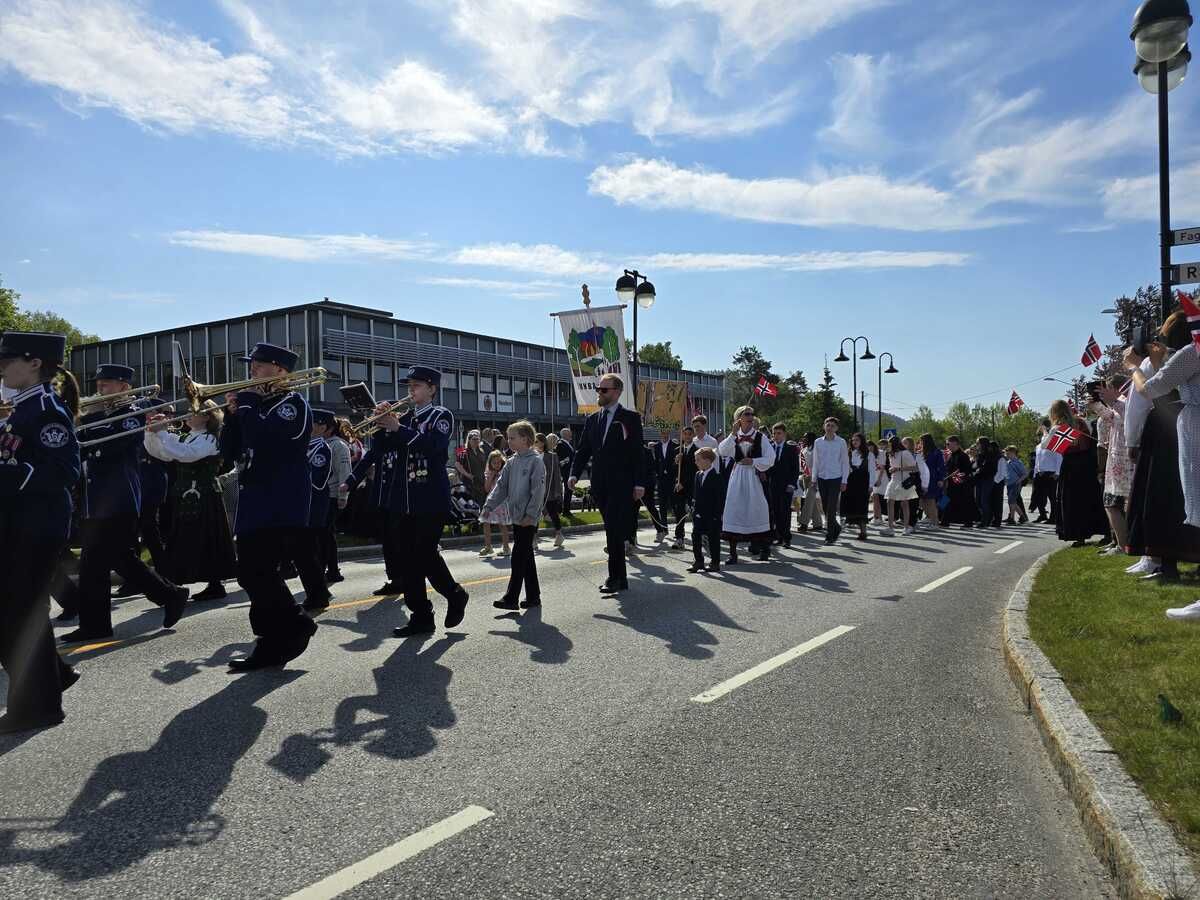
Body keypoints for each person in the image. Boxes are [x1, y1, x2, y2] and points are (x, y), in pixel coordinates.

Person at [59, 363, 187, 642]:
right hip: (96, 502)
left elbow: (112, 447)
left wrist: (88, 440)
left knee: (106, 562)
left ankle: (167, 596)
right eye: (99, 383)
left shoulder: (132, 415)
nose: (100, 388)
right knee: (109, 562)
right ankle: (165, 596)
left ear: (125, 387)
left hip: (120, 499)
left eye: (107, 383)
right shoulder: (98, 416)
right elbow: (77, 442)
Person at [344, 366, 470, 636]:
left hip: (430, 497)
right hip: (402, 500)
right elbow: (380, 451)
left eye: (417, 385)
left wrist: (397, 427)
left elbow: (433, 447)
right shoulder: (405, 418)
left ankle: (454, 593)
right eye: (409, 386)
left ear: (432, 389)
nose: (410, 390)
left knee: (423, 554)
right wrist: (379, 424)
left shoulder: (440, 415)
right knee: (408, 558)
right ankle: (421, 615)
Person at [0, 332, 82, 734]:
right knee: (16, 612)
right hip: (18, 523)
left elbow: (61, 471)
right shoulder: (19, 408)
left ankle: (38, 707)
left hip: (38, 525)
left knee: (19, 614)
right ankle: (54, 675)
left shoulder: (47, 410)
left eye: (8, 358)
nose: (2, 366)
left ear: (34, 363)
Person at [221, 343, 319, 670]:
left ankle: (291, 625)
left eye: (259, 365)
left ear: (280, 371)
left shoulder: (293, 404)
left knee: (257, 570)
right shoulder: (258, 404)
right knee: (250, 573)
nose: (252, 371)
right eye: (252, 365)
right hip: (256, 496)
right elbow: (230, 451)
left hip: (281, 499)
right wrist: (231, 419)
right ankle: (271, 641)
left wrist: (247, 406)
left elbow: (266, 439)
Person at [1126, 314, 1200, 584]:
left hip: (1187, 425)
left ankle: (1166, 563)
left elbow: (1148, 391)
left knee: (1184, 498)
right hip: (1184, 421)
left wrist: (1135, 367)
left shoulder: (1190, 353)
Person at [142, 401, 236, 601]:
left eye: (194, 412)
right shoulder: (186, 436)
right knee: (184, 538)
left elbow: (187, 455)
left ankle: (214, 583)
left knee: (207, 538)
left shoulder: (210, 438)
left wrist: (162, 433)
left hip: (205, 494)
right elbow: (162, 453)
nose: (187, 415)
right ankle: (178, 584)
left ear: (207, 417)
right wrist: (151, 431)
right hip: (186, 494)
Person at [568, 372, 647, 594]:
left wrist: (639, 483)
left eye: (604, 389)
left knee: (613, 530)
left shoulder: (630, 418)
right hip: (600, 485)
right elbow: (583, 450)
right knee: (611, 530)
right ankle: (619, 577)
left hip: (622, 484)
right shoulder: (593, 419)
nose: (599, 393)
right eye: (598, 389)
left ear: (617, 392)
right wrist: (574, 474)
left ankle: (616, 578)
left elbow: (637, 453)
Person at [483, 421, 546, 611]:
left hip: (528, 518)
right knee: (526, 556)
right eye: (508, 438)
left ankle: (511, 598)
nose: (508, 441)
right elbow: (501, 487)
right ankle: (534, 596)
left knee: (518, 556)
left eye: (512, 438)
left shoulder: (536, 461)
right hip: (516, 516)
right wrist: (489, 505)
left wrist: (531, 514)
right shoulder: (511, 461)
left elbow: (538, 491)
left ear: (525, 439)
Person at [718, 406, 776, 562]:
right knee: (734, 509)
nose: (750, 416)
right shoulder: (734, 437)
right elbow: (722, 451)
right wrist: (732, 433)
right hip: (737, 477)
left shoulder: (760, 437)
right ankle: (733, 554)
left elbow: (771, 458)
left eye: (752, 414)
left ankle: (765, 549)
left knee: (759, 509)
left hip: (754, 476)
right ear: (739, 418)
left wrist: (754, 461)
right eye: (747, 414)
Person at [1049, 399, 1108, 549]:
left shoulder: (1059, 427)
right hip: (1087, 464)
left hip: (1071, 465)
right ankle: (1106, 532)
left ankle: (1079, 535)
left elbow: (1053, 448)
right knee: (1092, 498)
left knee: (1073, 501)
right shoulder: (1081, 422)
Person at [291, 411, 333, 612]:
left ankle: (318, 595)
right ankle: (316, 593)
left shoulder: (322, 449)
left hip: (313, 507)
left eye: (313, 423)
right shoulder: (301, 447)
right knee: (302, 554)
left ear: (323, 428)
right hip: (300, 505)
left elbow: (318, 481)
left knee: (308, 554)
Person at [811, 417, 849, 545]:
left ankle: (830, 535)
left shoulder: (841, 442)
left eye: (832, 426)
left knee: (831, 508)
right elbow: (816, 461)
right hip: (822, 477)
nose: (830, 427)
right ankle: (837, 527)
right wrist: (813, 479)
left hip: (836, 478)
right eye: (828, 425)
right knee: (826, 507)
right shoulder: (818, 442)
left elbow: (845, 462)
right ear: (824, 426)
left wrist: (844, 481)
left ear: (836, 428)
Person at [688, 447, 724, 573]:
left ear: (708, 461)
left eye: (698, 460)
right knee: (695, 536)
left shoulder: (717, 476)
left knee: (713, 538)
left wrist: (717, 515)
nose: (696, 462)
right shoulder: (698, 475)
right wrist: (693, 508)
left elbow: (719, 498)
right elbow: (695, 494)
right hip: (698, 513)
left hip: (712, 514)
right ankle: (698, 561)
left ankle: (715, 562)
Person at [768, 423, 799, 548]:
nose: (776, 436)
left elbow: (795, 469)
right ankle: (778, 536)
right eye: (774, 433)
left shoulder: (790, 448)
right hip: (773, 484)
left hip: (786, 485)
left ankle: (787, 538)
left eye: (779, 433)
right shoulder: (769, 447)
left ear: (784, 434)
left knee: (785, 511)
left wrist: (792, 484)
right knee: (775, 512)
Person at [882, 435, 918, 536]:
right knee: (889, 501)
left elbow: (915, 468)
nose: (888, 446)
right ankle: (890, 527)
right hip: (894, 480)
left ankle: (906, 527)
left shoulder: (905, 453)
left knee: (904, 503)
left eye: (889, 444)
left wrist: (897, 469)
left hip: (903, 480)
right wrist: (892, 469)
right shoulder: (891, 454)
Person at [478, 450, 511, 556]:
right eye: (494, 463)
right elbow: (487, 489)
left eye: (499, 462)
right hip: (490, 500)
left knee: (502, 524)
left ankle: (506, 547)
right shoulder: (489, 473)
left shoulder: (504, 472)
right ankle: (488, 546)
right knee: (485, 521)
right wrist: (491, 476)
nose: (497, 465)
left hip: (501, 501)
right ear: (490, 463)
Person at [942, 436, 978, 527]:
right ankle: (945, 521)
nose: (947, 446)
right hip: (952, 483)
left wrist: (952, 477)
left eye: (948, 444)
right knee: (945, 501)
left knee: (964, 503)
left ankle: (968, 522)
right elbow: (948, 468)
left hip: (961, 484)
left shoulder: (963, 456)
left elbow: (965, 471)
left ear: (955, 443)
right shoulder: (952, 455)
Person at [651, 427, 679, 543]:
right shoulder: (656, 446)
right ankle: (664, 528)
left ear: (669, 433)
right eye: (662, 432)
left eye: (666, 432)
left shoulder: (675, 445)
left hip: (672, 479)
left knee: (674, 505)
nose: (664, 434)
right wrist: (658, 473)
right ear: (660, 433)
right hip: (661, 480)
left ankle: (679, 530)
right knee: (662, 506)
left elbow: (677, 463)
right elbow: (656, 461)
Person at [1031, 420, 1061, 524]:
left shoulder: (1053, 443)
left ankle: (1053, 517)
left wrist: (1057, 472)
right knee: (1038, 496)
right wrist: (1035, 473)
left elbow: (1059, 457)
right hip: (1040, 474)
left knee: (1052, 497)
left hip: (1051, 473)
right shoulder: (1038, 446)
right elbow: (1037, 461)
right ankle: (1042, 515)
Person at [672, 425, 697, 550]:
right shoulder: (678, 450)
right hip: (679, 487)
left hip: (691, 487)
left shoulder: (697, 450)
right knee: (679, 513)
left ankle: (699, 536)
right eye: (685, 434)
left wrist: (684, 483)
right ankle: (679, 538)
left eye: (689, 434)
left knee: (694, 513)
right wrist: (676, 461)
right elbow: (674, 470)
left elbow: (694, 471)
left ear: (693, 435)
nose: (687, 436)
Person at [539, 432, 566, 548]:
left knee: (553, 513)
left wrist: (558, 491)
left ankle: (559, 533)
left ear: (542, 443)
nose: (535, 444)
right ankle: (534, 538)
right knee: (534, 514)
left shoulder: (552, 456)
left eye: (537, 442)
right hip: (535, 491)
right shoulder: (531, 456)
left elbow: (556, 475)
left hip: (548, 490)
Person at [844, 432, 872, 541]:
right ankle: (859, 529)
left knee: (862, 507)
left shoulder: (869, 454)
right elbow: (846, 468)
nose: (854, 442)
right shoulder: (849, 453)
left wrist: (871, 485)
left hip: (863, 482)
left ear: (862, 441)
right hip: (851, 482)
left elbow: (872, 471)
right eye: (853, 440)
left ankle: (863, 531)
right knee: (853, 507)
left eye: (857, 440)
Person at [797, 431, 824, 533]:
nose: (804, 439)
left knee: (808, 500)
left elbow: (819, 464)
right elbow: (803, 464)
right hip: (806, 476)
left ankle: (804, 523)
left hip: (815, 477)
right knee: (811, 501)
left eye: (806, 437)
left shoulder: (817, 449)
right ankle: (818, 524)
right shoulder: (804, 449)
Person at [918, 433, 946, 529]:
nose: (920, 443)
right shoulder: (922, 452)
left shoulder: (936, 452)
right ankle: (930, 519)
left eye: (921, 441)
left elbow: (941, 467)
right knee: (923, 501)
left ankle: (935, 523)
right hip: (923, 479)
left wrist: (940, 479)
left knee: (931, 501)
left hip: (933, 479)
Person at [458, 429, 489, 513]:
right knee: (471, 502)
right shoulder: (462, 450)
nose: (476, 441)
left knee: (482, 502)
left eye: (478, 439)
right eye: (474, 439)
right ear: (469, 439)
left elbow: (486, 465)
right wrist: (467, 474)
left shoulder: (482, 451)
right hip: (469, 481)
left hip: (481, 481)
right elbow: (457, 465)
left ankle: (481, 521)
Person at [1003, 446, 1029, 524]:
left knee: (1012, 501)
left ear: (1013, 453)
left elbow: (1025, 473)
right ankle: (1022, 516)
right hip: (1009, 484)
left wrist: (1018, 481)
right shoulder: (1008, 462)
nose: (1006, 454)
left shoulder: (1018, 462)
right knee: (1012, 502)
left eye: (1008, 453)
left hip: (1015, 484)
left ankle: (1012, 518)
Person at [556, 427, 575, 513]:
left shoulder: (567, 443)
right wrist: (566, 460)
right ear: (565, 434)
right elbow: (560, 459)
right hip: (565, 471)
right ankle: (566, 510)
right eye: (569, 433)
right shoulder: (560, 444)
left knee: (569, 489)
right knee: (568, 489)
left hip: (569, 470)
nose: (571, 434)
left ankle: (567, 509)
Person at [868, 440, 886, 523]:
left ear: (873, 446)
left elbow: (882, 468)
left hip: (881, 477)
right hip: (873, 477)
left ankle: (879, 517)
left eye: (870, 446)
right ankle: (877, 517)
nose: (869, 448)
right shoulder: (868, 454)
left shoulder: (881, 453)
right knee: (875, 497)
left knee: (882, 497)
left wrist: (879, 479)